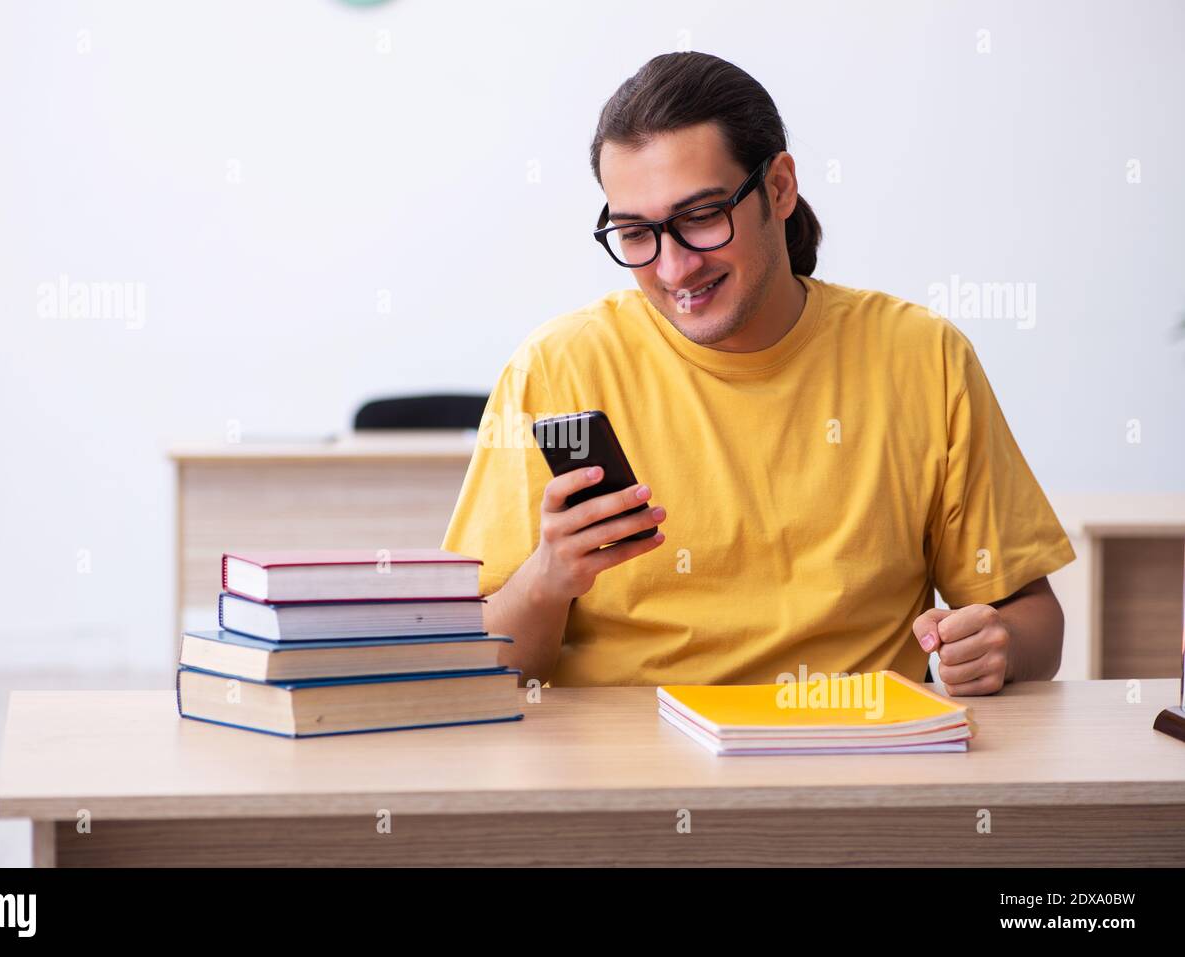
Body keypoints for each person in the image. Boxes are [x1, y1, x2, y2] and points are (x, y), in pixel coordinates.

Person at [441, 51, 1073, 695]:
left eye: (700, 217)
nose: (674, 268)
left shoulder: (925, 358)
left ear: (778, 188)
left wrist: (1001, 644)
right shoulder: (555, 367)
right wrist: (548, 578)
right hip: (629, 772)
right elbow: (479, 661)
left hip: (853, 767)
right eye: (636, 232)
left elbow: (1034, 618)